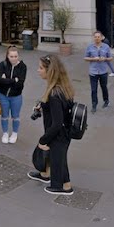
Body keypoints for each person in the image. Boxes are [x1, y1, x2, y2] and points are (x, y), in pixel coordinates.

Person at [29, 53, 76, 195]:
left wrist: (43, 140)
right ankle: (45, 174)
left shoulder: (54, 93)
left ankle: (65, 187)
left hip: (58, 133)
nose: (38, 70)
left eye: (41, 68)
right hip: (64, 132)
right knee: (55, 156)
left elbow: (57, 123)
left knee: (59, 159)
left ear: (49, 71)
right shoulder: (62, 87)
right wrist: (42, 107)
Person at [0, 45, 27, 144]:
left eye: (15, 56)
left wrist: (6, 80)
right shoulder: (2, 64)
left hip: (16, 96)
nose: (14, 58)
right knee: (4, 115)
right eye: (11, 56)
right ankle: (5, 133)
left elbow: (20, 83)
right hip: (3, 96)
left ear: (18, 56)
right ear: (7, 56)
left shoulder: (23, 67)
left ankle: (15, 133)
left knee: (15, 116)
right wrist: (13, 80)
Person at [84, 30, 112, 113]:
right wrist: (93, 59)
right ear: (93, 38)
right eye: (95, 37)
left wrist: (105, 59)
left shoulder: (106, 47)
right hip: (93, 72)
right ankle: (94, 104)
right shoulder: (89, 47)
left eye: (98, 37)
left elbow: (110, 58)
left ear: (101, 38)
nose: (97, 38)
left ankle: (106, 101)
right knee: (93, 89)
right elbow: (85, 58)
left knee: (104, 87)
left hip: (103, 71)